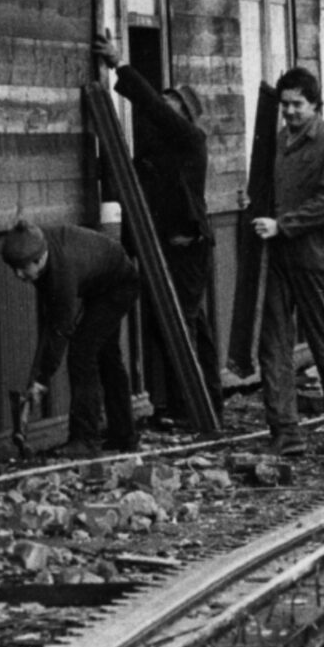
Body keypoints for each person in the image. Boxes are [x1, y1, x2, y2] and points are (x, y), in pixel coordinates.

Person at [249, 66, 324, 458]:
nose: (289, 112)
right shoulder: (278, 141)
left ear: (316, 105)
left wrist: (283, 225)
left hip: (312, 257)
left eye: (297, 104)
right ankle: (285, 432)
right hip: (275, 257)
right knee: (273, 343)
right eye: (285, 104)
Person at [95, 36, 215, 397]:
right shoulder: (160, 150)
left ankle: (193, 408)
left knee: (180, 327)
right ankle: (204, 401)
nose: (161, 108)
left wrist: (119, 64)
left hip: (188, 248)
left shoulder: (192, 141)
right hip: (166, 247)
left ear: (184, 117)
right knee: (187, 325)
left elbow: (152, 108)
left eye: (169, 105)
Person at [0, 220, 142, 454]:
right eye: (14, 268)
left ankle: (85, 439)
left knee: (82, 354)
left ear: (39, 259)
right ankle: (124, 436)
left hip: (119, 285)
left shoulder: (61, 272)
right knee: (106, 356)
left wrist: (40, 379)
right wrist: (38, 377)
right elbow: (52, 323)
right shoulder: (38, 248)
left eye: (23, 268)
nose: (18, 274)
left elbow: (60, 328)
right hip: (101, 283)